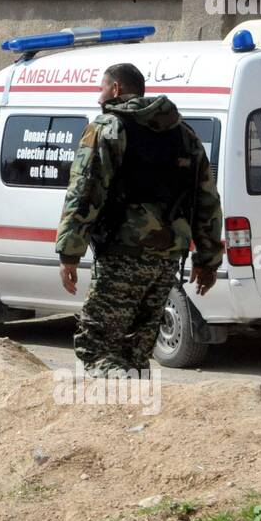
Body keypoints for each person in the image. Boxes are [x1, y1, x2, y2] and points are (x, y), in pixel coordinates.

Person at [56, 62, 223, 374]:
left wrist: (69, 252)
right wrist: (208, 259)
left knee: (98, 348)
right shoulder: (184, 134)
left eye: (101, 88)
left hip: (122, 253)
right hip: (166, 260)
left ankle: (107, 416)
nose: (98, 97)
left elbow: (84, 192)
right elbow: (207, 200)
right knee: (136, 350)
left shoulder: (107, 128)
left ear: (116, 89)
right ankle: (134, 411)